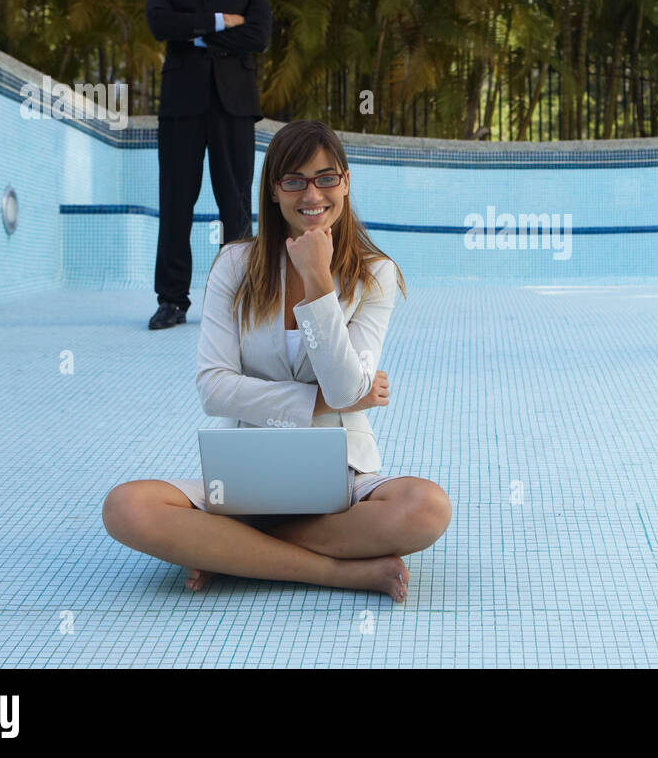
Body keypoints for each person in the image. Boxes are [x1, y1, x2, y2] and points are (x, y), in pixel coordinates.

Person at [102, 121, 451, 602]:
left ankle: (228, 551)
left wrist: (319, 285)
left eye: (326, 178)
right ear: (273, 190)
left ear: (346, 182)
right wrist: (316, 403)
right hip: (248, 476)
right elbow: (214, 390)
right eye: (295, 180)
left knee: (426, 508)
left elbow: (347, 391)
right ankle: (338, 573)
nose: (313, 194)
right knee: (126, 508)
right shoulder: (235, 265)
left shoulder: (376, 274)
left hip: (342, 477)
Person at [145, 0, 272, 330]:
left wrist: (195, 30)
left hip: (233, 107)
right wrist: (221, 22)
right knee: (176, 201)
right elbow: (162, 25)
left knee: (235, 204)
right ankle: (172, 301)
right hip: (182, 106)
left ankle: (238, 299)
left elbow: (258, 37)